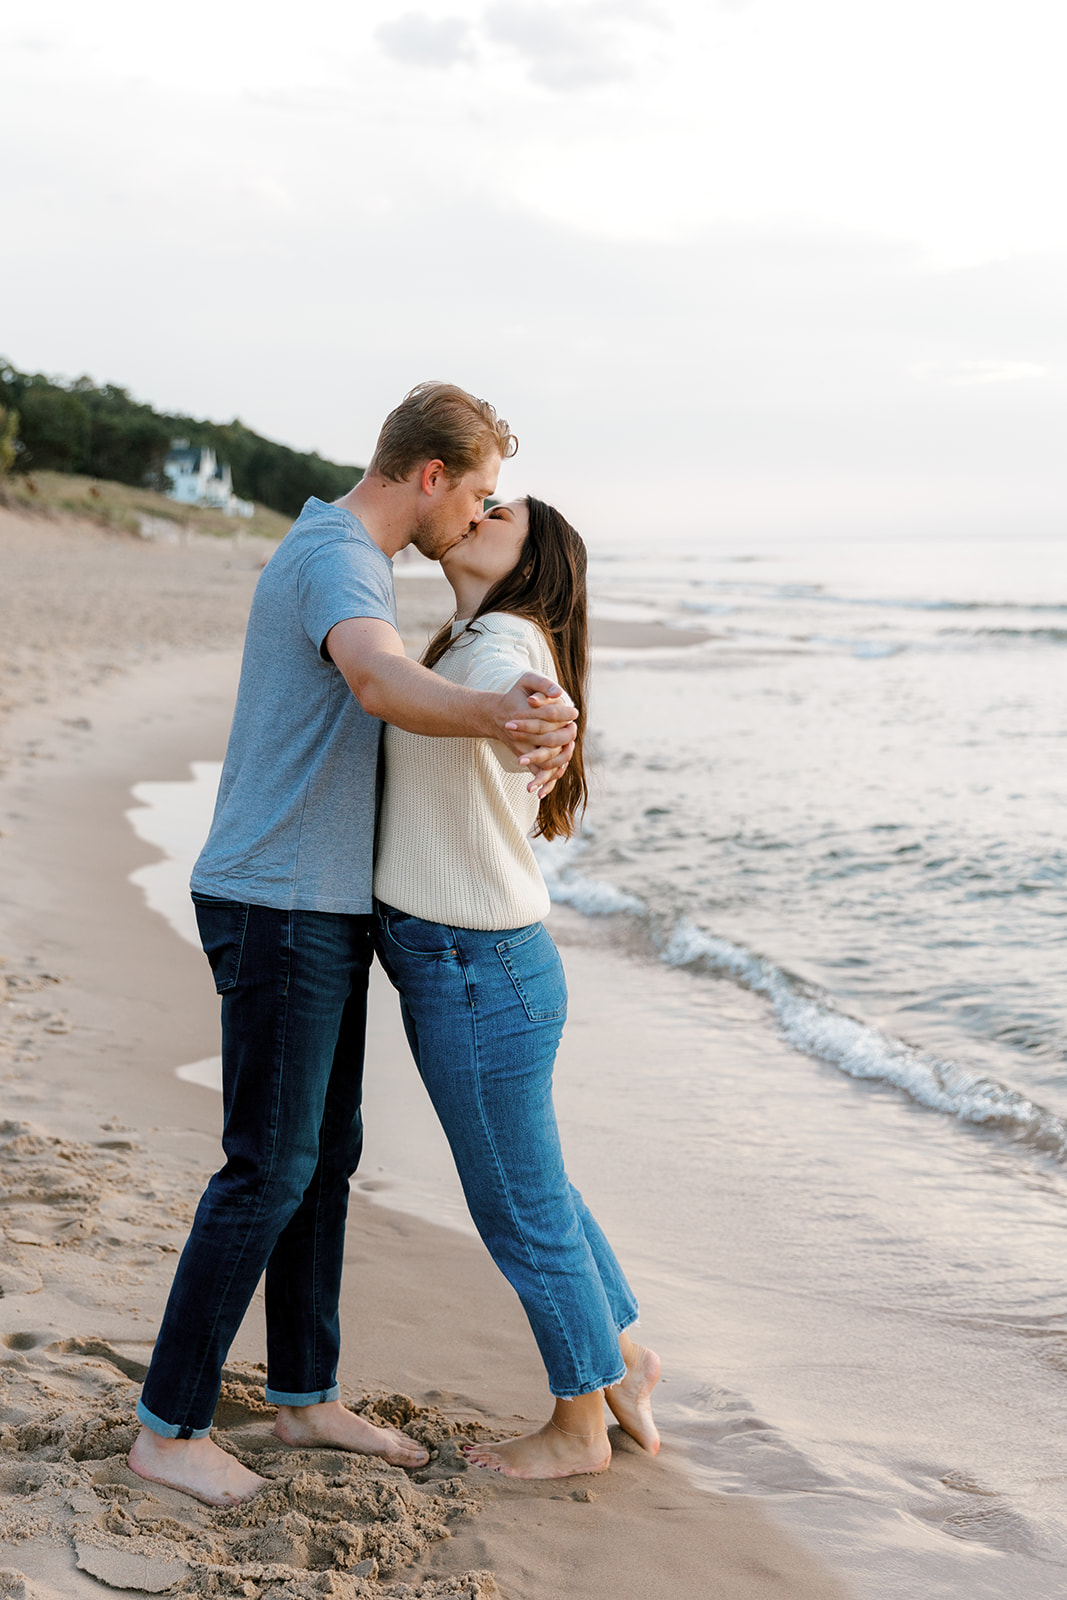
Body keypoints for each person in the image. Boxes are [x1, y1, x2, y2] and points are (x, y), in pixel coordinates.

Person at [128, 384, 579, 1507]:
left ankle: (304, 1395)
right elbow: (379, 682)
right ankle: (168, 1427)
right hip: (277, 901)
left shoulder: (350, 559)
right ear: (430, 475)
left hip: (315, 906)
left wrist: (521, 722)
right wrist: (504, 716)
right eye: (476, 492)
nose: (475, 516)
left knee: (324, 1156)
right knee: (267, 1167)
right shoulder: (337, 558)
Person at [373, 494, 660, 1480]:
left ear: (531, 561)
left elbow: (521, 698)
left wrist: (542, 719)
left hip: (475, 969)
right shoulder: (467, 641)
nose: (478, 511)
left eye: (500, 512)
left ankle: (578, 1427)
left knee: (515, 1204)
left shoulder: (501, 648)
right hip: (478, 966)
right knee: (531, 1184)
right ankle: (622, 1358)